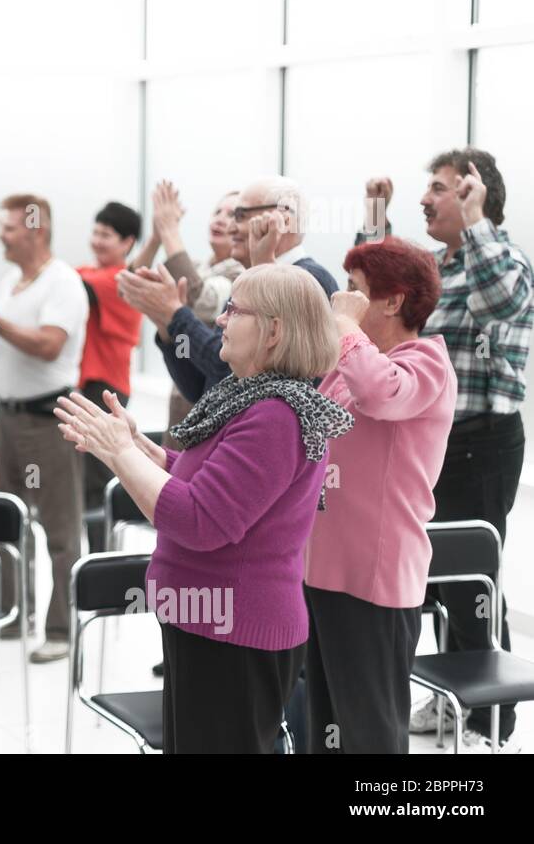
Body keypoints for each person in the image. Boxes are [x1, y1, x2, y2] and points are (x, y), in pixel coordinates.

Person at [57, 264, 351, 753]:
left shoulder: (276, 414)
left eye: (235, 310)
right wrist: (150, 455)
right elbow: (219, 485)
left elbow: (201, 520)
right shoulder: (256, 398)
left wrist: (121, 454)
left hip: (233, 630)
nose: (219, 321)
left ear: (274, 330)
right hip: (210, 620)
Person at [361, 150, 532, 749]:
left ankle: (490, 717)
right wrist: (375, 222)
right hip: (428, 441)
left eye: (437, 188)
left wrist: (477, 219)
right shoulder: (434, 264)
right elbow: (376, 304)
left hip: (480, 445)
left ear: (472, 194)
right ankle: (447, 697)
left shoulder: (506, 260)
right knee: (424, 577)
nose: (424, 199)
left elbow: (501, 303)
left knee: (470, 578)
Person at [306, 238, 456, 753]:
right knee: (323, 728)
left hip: (374, 578)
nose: (344, 300)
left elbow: (379, 393)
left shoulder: (427, 363)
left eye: (356, 290)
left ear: (392, 301)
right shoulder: (353, 362)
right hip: (322, 568)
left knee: (370, 735)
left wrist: (346, 327)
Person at [119, 176, 339, 405]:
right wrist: (167, 327)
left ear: (283, 217)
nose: (230, 226)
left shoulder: (309, 281)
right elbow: (200, 386)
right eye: (224, 214)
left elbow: (221, 365)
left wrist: (175, 315)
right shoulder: (244, 284)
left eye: (240, 215)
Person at [0, 193, 88, 663]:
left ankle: (61, 630)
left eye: (9, 227)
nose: (1, 235)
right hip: (7, 418)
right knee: (7, 522)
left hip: (48, 420)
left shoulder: (62, 283)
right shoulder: (10, 282)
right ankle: (12, 616)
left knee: (60, 528)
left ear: (36, 230)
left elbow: (49, 346)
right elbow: (1, 344)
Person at [132, 184, 245, 445]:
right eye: (217, 211)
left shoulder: (241, 274)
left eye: (232, 215)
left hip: (210, 403)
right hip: (181, 393)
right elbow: (131, 283)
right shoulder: (198, 266)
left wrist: (171, 230)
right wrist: (157, 236)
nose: (220, 219)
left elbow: (199, 295)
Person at [76, 201, 144, 552]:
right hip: (87, 387)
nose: (97, 240)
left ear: (128, 242)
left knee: (97, 482)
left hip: (106, 389)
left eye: (107, 234)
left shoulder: (121, 280)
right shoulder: (88, 271)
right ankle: (94, 557)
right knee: (86, 480)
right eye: (96, 232)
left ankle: (101, 560)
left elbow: (77, 288)